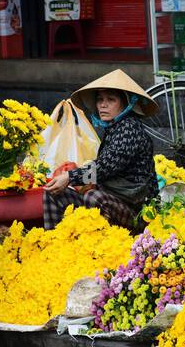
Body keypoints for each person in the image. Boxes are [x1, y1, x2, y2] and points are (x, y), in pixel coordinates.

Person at [43, 69, 157, 230]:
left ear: (126, 104)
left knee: (93, 197)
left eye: (111, 100)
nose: (103, 105)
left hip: (137, 211)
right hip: (113, 199)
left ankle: (101, 248)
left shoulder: (130, 128)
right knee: (52, 193)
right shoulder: (114, 127)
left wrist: (69, 177)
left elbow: (105, 167)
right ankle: (54, 245)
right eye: (100, 100)